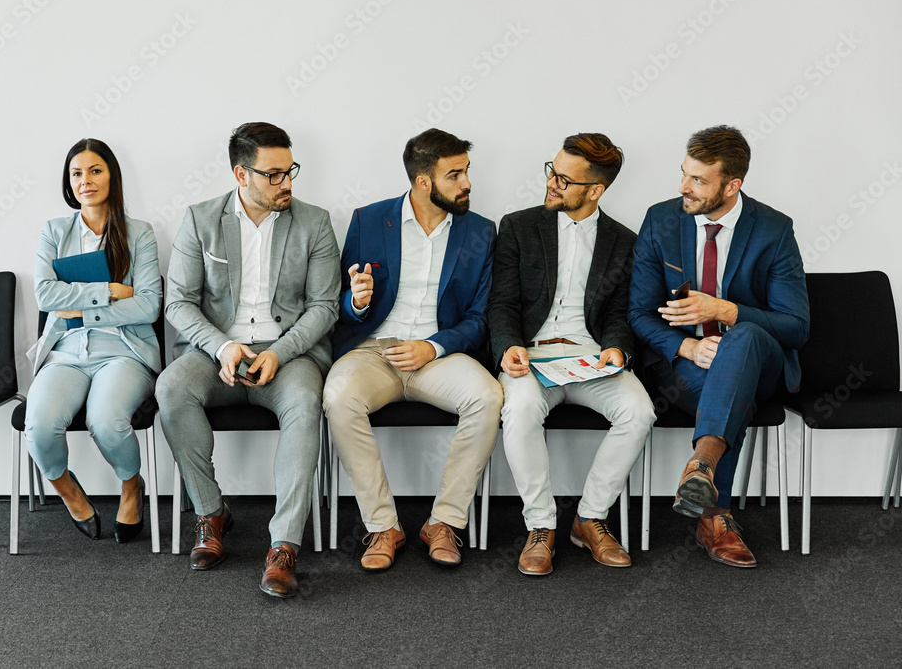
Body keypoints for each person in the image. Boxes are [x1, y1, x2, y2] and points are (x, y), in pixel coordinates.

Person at [156, 122, 338, 598]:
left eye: (290, 171)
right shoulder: (200, 220)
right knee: (171, 389)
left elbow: (324, 306)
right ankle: (211, 512)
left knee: (305, 403)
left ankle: (283, 546)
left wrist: (279, 352)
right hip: (217, 351)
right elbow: (178, 302)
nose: (287, 184)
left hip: (288, 352)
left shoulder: (314, 222)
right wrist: (222, 346)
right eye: (274, 174)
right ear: (242, 174)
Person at [628, 125, 809, 567]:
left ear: (732, 185)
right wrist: (687, 349)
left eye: (698, 180)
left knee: (742, 339)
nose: (683, 188)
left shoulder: (773, 229)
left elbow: (796, 327)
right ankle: (714, 511)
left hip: (758, 360)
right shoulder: (660, 219)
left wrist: (725, 312)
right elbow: (638, 314)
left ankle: (702, 464)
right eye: (684, 174)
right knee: (730, 388)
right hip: (684, 365)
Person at [323, 128, 502, 571]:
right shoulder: (369, 219)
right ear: (424, 182)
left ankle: (444, 521)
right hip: (374, 352)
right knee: (338, 396)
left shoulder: (480, 230)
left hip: (439, 354)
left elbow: (479, 319)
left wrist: (432, 347)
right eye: (454, 174)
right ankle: (382, 525)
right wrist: (357, 301)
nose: (467, 183)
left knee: (488, 396)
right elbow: (343, 307)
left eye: (466, 172)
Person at [487, 133, 655, 575]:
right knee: (519, 408)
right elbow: (502, 303)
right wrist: (508, 348)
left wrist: (617, 348)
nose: (551, 182)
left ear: (595, 190)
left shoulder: (623, 241)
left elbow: (620, 311)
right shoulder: (518, 226)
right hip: (531, 355)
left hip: (590, 356)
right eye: (552, 170)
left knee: (639, 410)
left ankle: (589, 518)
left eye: (564, 179)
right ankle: (540, 526)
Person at [27, 138, 161, 544]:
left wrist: (81, 309)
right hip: (66, 351)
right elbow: (46, 296)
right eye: (77, 173)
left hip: (124, 352)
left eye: (95, 170)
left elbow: (149, 305)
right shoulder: (53, 231)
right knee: (39, 427)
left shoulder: (139, 234)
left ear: (112, 175)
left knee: (106, 423)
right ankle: (66, 488)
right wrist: (108, 290)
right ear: (69, 183)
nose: (86, 180)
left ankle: (131, 485)